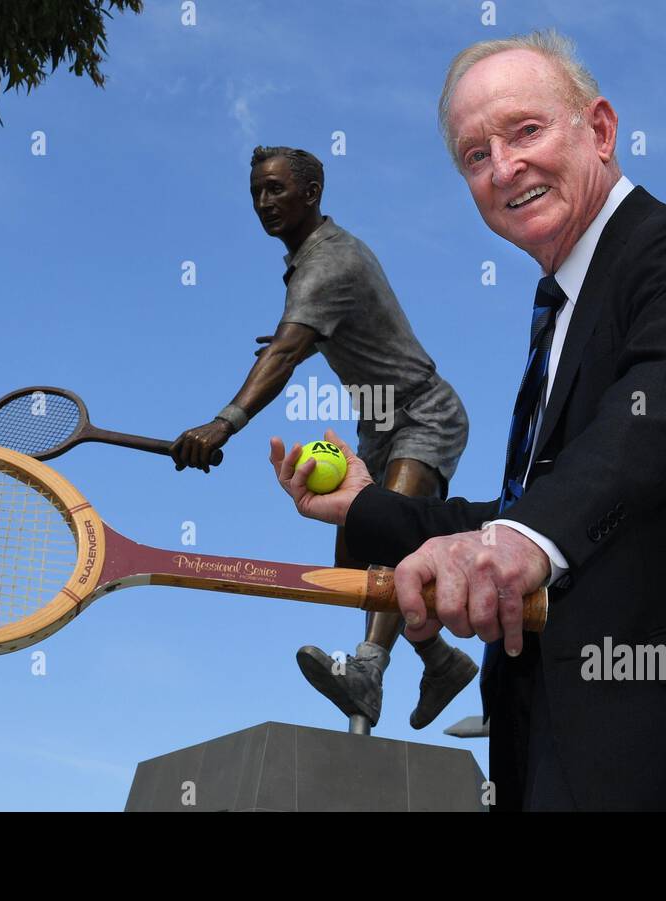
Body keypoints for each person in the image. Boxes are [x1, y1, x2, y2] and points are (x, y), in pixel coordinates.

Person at [270, 30, 666, 811]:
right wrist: (367, 505)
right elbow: (532, 509)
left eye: (525, 130)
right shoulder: (556, 321)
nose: (504, 167)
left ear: (601, 130)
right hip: (553, 758)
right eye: (475, 156)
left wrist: (520, 539)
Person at [171, 146, 477, 731]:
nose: (264, 203)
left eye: (276, 190)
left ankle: (367, 672)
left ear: (311, 193)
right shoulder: (311, 261)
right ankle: (441, 662)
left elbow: (285, 353)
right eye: (256, 191)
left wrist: (223, 424)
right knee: (356, 563)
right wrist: (304, 340)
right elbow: (306, 339)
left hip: (425, 413)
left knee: (389, 544)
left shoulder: (327, 263)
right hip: (379, 424)